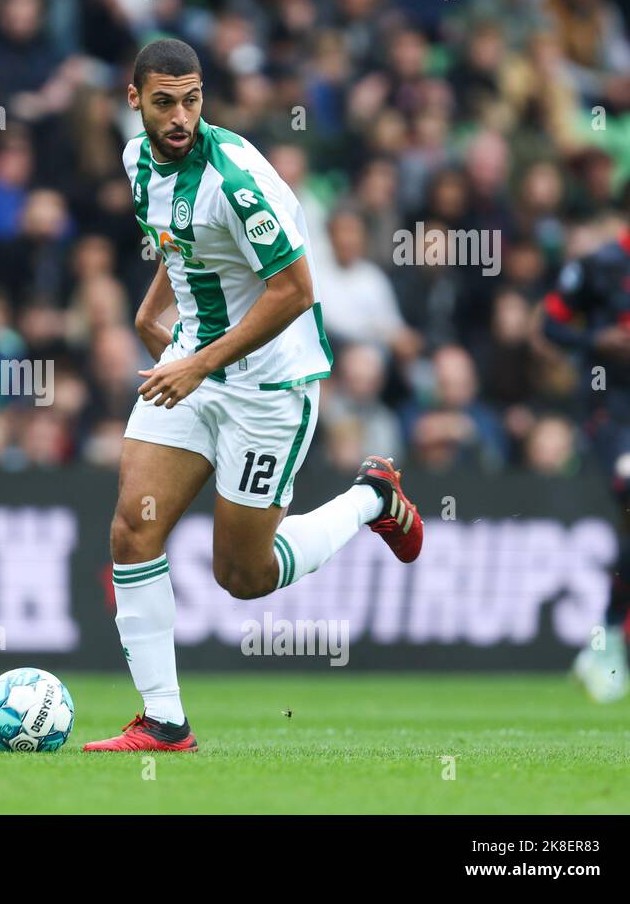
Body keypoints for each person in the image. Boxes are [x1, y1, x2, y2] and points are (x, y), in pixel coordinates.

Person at [83, 39, 424, 753]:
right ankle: (165, 723)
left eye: (193, 99)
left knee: (242, 574)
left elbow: (296, 291)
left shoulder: (237, 180)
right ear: (134, 100)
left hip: (270, 383)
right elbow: (181, 241)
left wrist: (200, 363)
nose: (181, 116)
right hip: (196, 362)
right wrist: (155, 315)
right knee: (131, 530)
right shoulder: (135, 159)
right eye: (166, 101)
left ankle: (372, 498)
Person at [542, 168, 630, 703]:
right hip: (616, 411)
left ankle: (603, 639)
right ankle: (608, 639)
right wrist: (597, 342)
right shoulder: (601, 266)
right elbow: (550, 324)